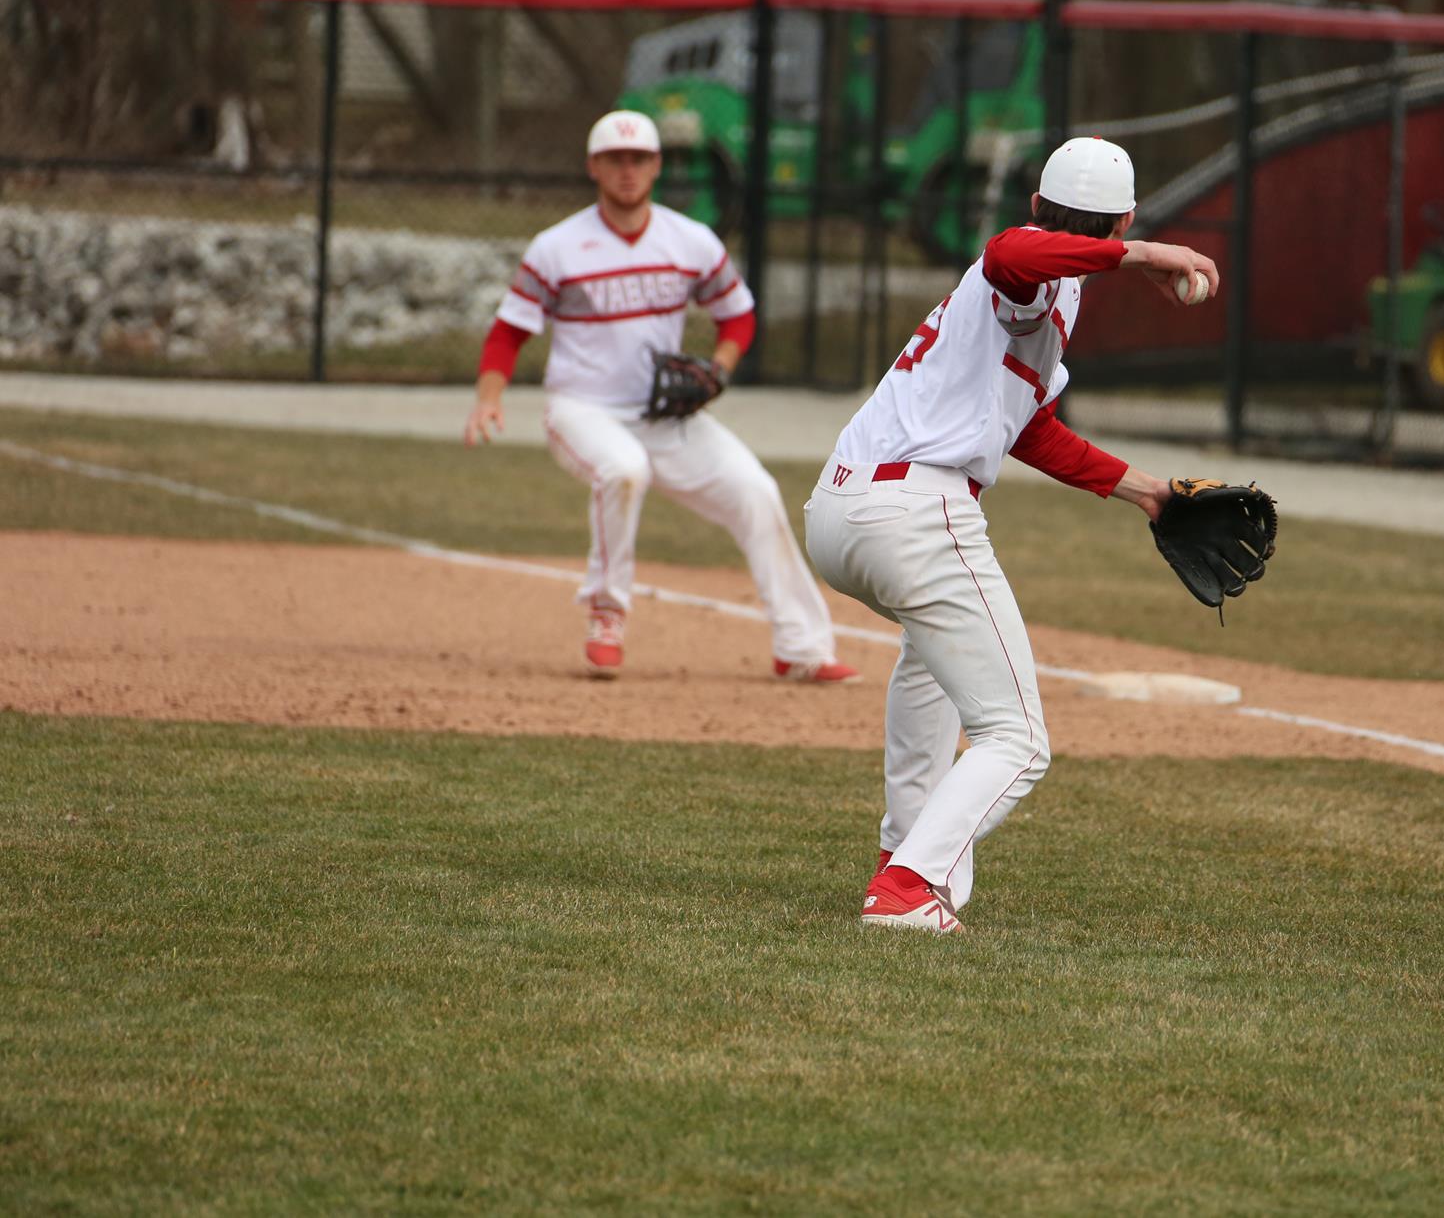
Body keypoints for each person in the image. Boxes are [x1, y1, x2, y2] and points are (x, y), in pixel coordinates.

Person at [805, 136, 1220, 933]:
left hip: (840, 509)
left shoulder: (1050, 287)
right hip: (916, 513)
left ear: (1036, 198)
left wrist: (1148, 494)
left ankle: (906, 855)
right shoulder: (1028, 272)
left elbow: (1027, 428)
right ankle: (907, 889)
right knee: (1019, 739)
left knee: (930, 663)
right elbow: (1007, 254)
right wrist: (1146, 251)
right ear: (1127, 218)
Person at [465, 109, 857, 684]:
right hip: (583, 409)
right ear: (593, 166)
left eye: (639, 159)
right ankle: (607, 612)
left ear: (657, 166)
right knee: (623, 470)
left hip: (662, 415)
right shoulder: (557, 247)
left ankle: (802, 647)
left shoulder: (689, 240)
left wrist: (718, 370)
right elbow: (509, 331)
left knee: (756, 491)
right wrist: (488, 397)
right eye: (615, 159)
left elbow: (738, 315)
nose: (628, 170)